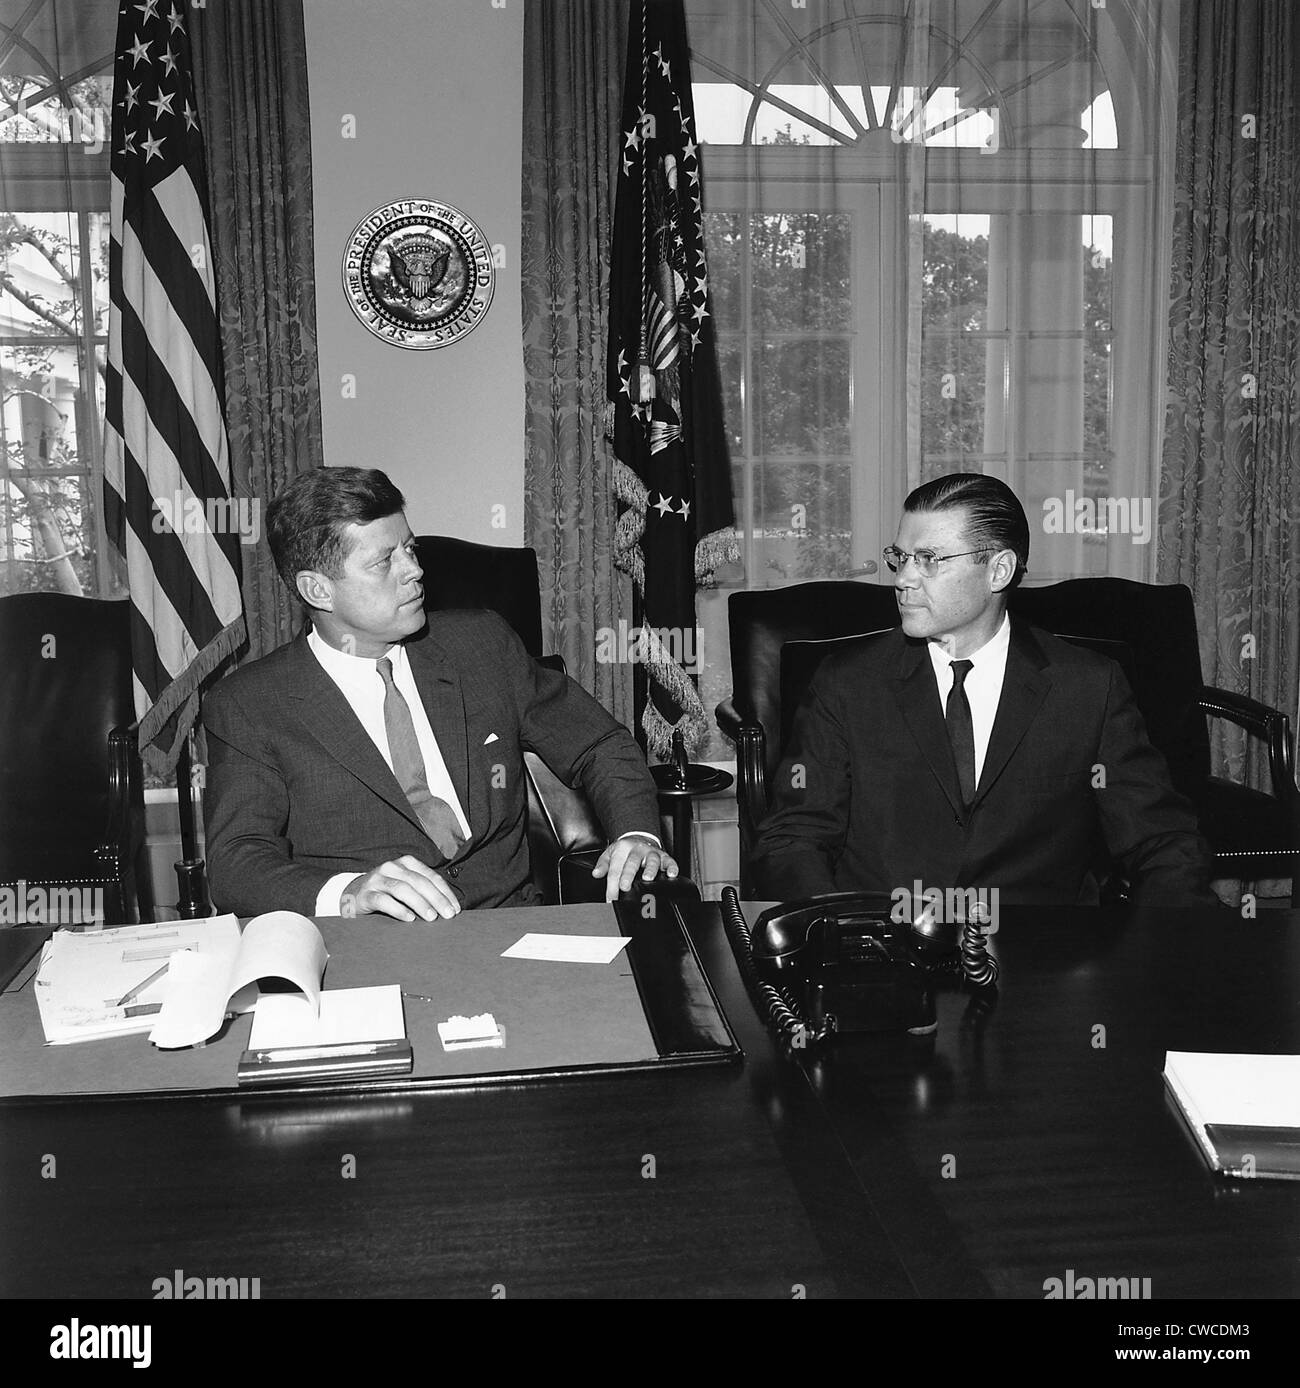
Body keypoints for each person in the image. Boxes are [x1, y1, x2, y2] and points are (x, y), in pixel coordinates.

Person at [203, 468, 675, 920]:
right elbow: (237, 862)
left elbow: (598, 743)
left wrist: (636, 835)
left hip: (509, 928)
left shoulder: (482, 646)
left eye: (409, 548)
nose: (414, 570)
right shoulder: (250, 704)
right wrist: (348, 892)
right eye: (384, 561)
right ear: (318, 590)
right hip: (370, 949)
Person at [751, 472, 1217, 908]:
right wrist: (834, 930)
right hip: (887, 949)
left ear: (998, 571)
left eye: (929, 560)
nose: (902, 579)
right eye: (901, 558)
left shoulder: (1088, 686)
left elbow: (1160, 841)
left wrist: (1165, 950)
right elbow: (794, 838)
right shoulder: (847, 683)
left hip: (1040, 961)